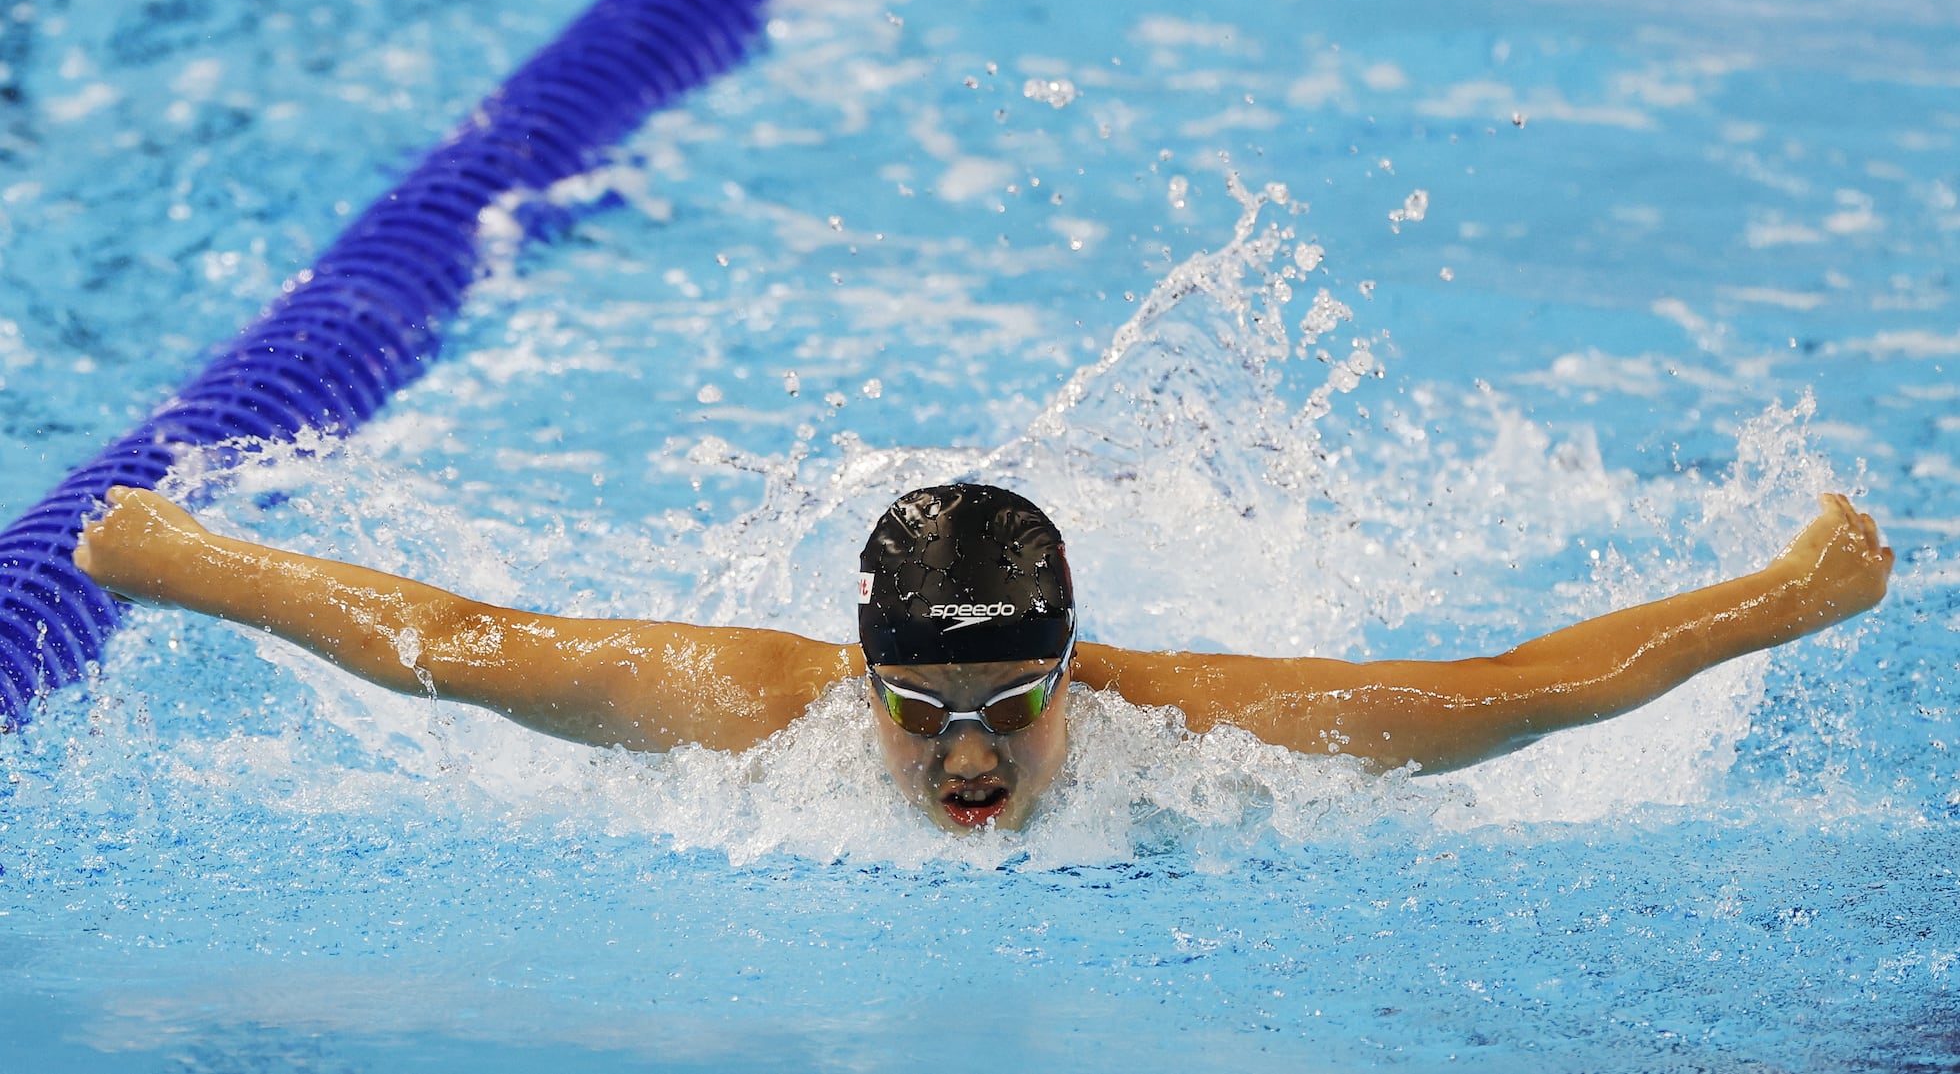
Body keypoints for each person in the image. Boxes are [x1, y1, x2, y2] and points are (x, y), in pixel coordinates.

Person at [74, 482, 1891, 834]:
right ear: (857, 678)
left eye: (1009, 705)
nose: (969, 750)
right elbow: (463, 648)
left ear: (1069, 676)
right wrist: (174, 553)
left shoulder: (1201, 733)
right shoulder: (760, 714)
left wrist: (1782, 596)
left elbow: (1522, 690)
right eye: (924, 707)